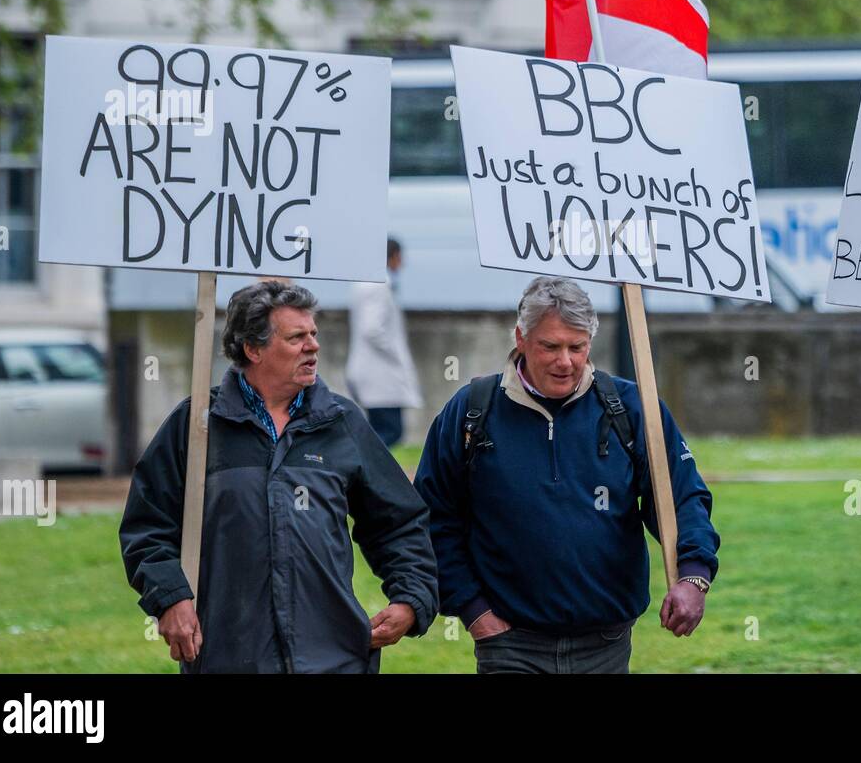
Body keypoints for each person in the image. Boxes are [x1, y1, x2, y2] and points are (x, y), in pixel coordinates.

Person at [119, 280, 439, 673]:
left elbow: (400, 523)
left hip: (333, 659)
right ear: (253, 349)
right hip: (227, 656)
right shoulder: (198, 425)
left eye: (313, 334)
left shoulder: (341, 422)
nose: (313, 346)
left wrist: (410, 599)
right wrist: (170, 598)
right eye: (296, 337)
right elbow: (147, 526)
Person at [413, 275, 720, 673]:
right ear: (520, 338)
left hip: (607, 643)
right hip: (508, 644)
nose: (565, 361)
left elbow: (680, 498)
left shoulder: (631, 406)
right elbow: (433, 516)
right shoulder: (471, 411)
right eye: (550, 346)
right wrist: (475, 612)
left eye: (577, 347)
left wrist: (693, 576)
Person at [347, 238, 423, 449]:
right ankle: (360, 471)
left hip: (373, 374)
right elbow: (373, 330)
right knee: (391, 431)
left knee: (379, 430)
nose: (403, 263)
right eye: (401, 257)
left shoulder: (366, 284)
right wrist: (396, 355)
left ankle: (364, 472)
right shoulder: (378, 286)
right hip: (380, 374)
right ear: (393, 256)